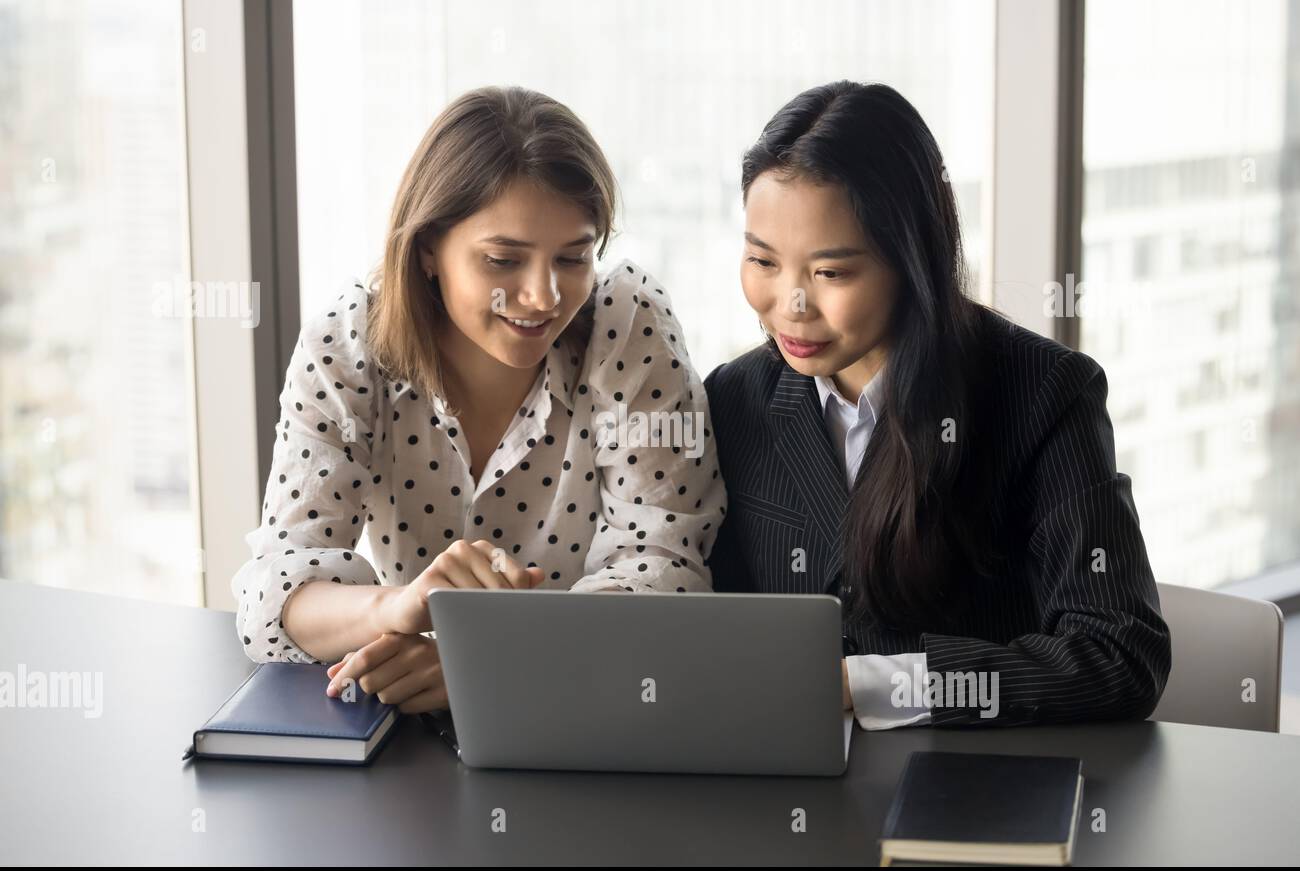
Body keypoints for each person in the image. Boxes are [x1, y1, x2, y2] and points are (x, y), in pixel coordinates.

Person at [232, 86, 725, 715]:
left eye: (573, 257)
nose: (544, 296)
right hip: (408, 719)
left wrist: (492, 662)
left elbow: (666, 572)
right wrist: (403, 605)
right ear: (430, 248)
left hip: (593, 709)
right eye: (503, 260)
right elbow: (274, 595)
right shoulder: (348, 342)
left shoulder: (628, 323)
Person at [704, 81, 1170, 728]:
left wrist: (874, 684)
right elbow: (696, 623)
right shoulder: (731, 398)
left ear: (912, 260)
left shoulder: (1044, 394)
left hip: (975, 795)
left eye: (832, 272)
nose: (791, 303)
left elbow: (1120, 655)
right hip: (785, 794)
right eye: (763, 260)